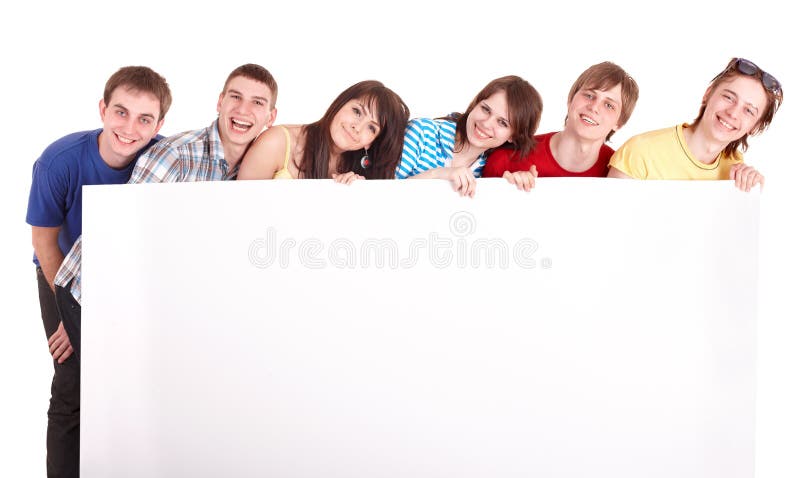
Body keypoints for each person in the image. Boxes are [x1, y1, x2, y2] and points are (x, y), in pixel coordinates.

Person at [54, 63, 277, 360]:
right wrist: (86, 312)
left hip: (157, 299)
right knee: (77, 393)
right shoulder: (177, 155)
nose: (243, 109)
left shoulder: (258, 167)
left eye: (257, 103)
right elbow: (120, 233)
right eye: (235, 97)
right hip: (92, 287)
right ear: (220, 102)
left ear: (271, 117)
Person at [26, 65, 172, 478]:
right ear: (103, 109)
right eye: (121, 112)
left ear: (160, 125)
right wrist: (69, 315)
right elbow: (43, 243)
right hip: (64, 277)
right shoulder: (59, 161)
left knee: (133, 383)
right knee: (72, 382)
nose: (130, 127)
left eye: (145, 119)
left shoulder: (164, 156)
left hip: (125, 278)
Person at [608, 58, 782, 191]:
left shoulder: (735, 169)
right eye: (728, 97)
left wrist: (749, 194)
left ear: (755, 127)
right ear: (708, 94)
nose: (733, 113)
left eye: (749, 111)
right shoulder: (640, 151)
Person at [482, 62, 639, 191]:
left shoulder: (621, 174)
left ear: (619, 123)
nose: (594, 107)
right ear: (571, 99)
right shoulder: (506, 159)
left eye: (609, 105)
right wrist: (502, 191)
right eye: (589, 95)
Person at [394, 75, 542, 197]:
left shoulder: (488, 167)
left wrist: (512, 185)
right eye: (485, 109)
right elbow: (382, 193)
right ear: (475, 104)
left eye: (502, 123)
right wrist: (437, 174)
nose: (486, 123)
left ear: (514, 136)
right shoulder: (422, 133)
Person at [238, 80, 409, 183]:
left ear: (372, 141)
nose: (357, 127)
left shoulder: (360, 172)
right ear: (340, 104)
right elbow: (237, 207)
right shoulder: (277, 142)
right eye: (357, 111)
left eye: (371, 127)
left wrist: (357, 195)